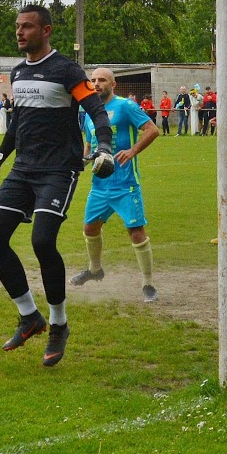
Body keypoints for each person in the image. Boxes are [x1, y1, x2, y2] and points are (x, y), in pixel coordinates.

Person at [0, 4, 113, 367]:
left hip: (58, 169)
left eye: (27, 27)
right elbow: (17, 123)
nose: (20, 32)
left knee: (42, 241)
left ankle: (58, 325)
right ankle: (29, 316)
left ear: (47, 30)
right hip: (23, 169)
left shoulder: (67, 70)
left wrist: (103, 145)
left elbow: (96, 110)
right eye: (18, 26)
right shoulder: (18, 72)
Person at [72, 68, 162, 301]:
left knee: (135, 232)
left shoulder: (125, 106)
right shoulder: (89, 110)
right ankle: (95, 270)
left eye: (102, 80)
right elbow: (89, 143)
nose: (96, 83)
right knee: (90, 228)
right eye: (93, 80)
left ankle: (148, 284)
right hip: (100, 185)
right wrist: (83, 159)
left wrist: (133, 150)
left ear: (114, 84)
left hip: (126, 184)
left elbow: (152, 130)